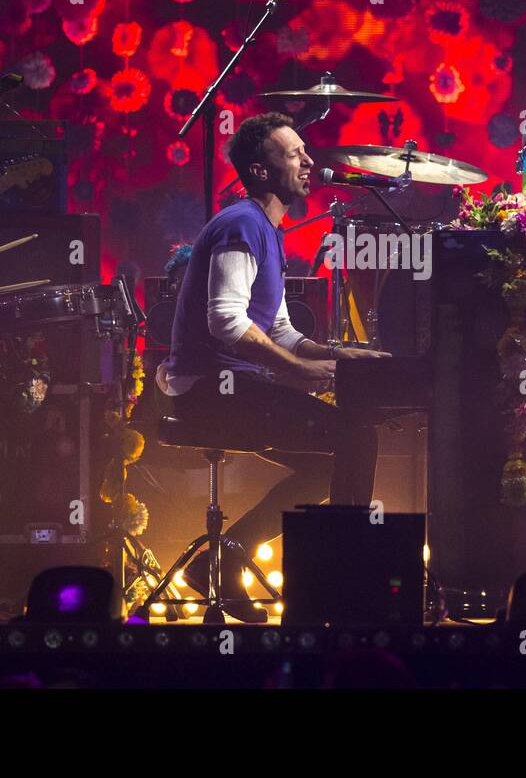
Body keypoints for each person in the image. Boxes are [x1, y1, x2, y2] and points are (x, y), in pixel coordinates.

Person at [158, 112, 388, 623]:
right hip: (210, 391)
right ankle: (339, 584)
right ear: (260, 172)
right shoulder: (242, 223)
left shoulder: (266, 229)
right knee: (355, 437)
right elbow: (224, 320)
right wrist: (296, 371)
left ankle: (221, 557)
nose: (309, 162)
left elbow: (280, 329)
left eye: (306, 152)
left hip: (237, 387)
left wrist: (338, 355)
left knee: (329, 460)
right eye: (293, 154)